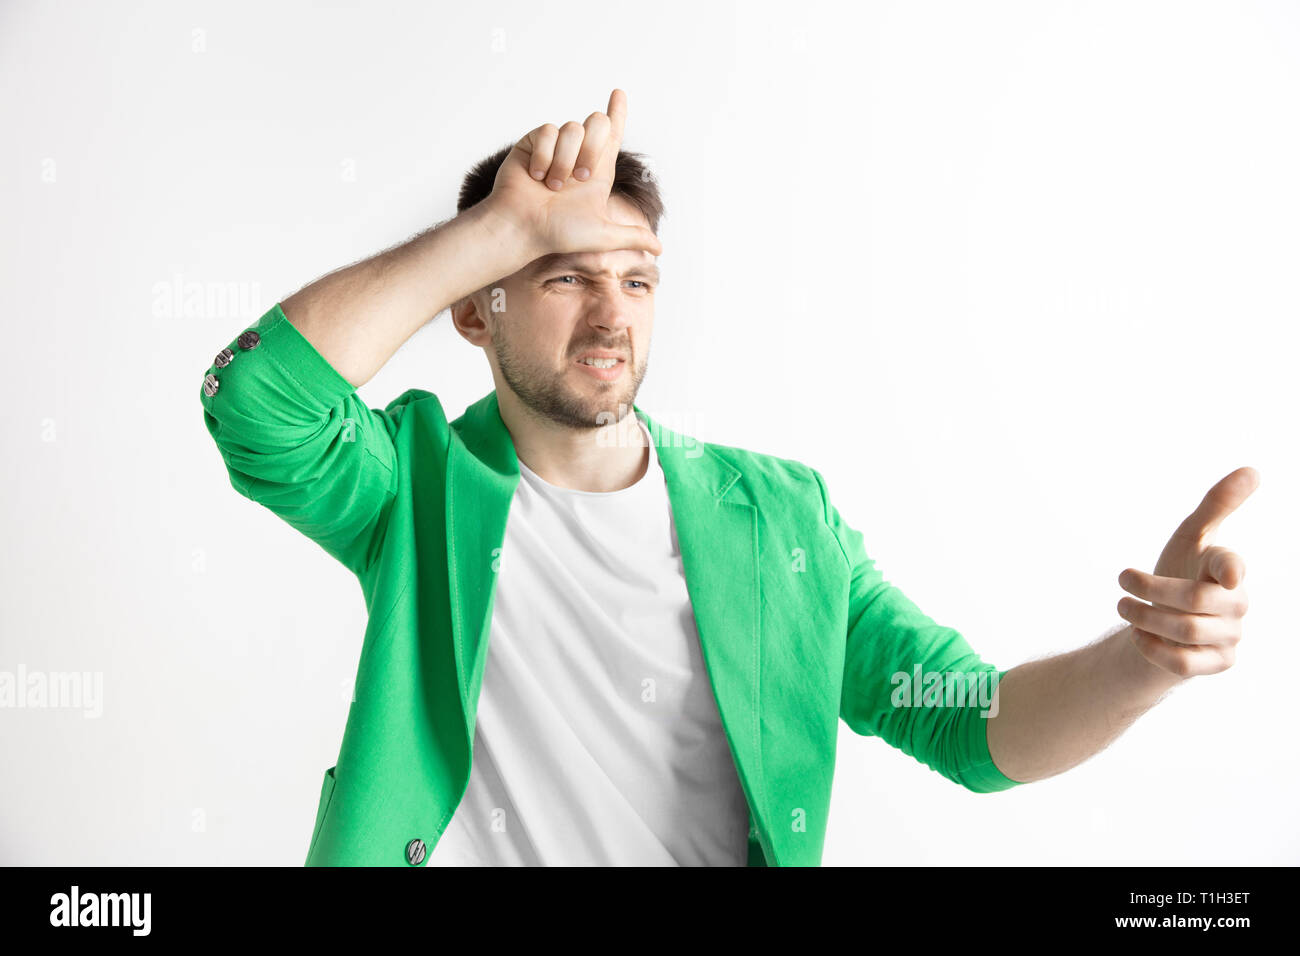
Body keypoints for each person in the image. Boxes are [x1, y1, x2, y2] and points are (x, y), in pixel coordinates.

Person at [198, 89, 1255, 866]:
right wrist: (497, 231)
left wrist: (1143, 658)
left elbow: (969, 722)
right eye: (563, 276)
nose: (612, 316)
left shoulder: (780, 519)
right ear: (477, 308)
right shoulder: (409, 484)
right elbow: (257, 401)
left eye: (637, 280)